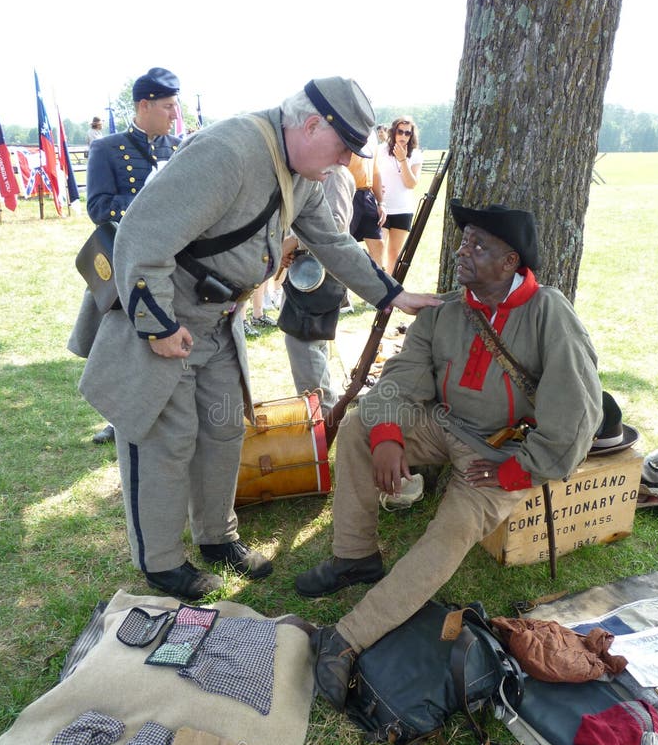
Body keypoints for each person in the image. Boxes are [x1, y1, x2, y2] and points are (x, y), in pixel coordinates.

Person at [76, 76, 441, 601]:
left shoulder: (301, 171)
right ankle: (160, 564)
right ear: (312, 125)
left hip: (219, 320)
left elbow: (334, 243)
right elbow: (141, 235)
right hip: (166, 316)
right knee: (165, 440)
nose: (345, 162)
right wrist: (156, 325)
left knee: (223, 434)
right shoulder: (229, 151)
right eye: (342, 148)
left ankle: (217, 538)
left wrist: (391, 296)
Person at [297, 200, 604, 712]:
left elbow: (576, 414)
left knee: (454, 526)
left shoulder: (549, 313)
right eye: (465, 241)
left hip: (501, 450)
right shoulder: (448, 310)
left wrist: (517, 468)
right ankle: (355, 556)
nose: (464, 251)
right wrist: (390, 434)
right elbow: (404, 374)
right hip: (441, 426)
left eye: (479, 245)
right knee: (357, 428)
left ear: (511, 263)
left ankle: (346, 638)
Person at [70, 68, 181, 445]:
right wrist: (145, 201)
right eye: (167, 106)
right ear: (143, 105)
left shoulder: (179, 148)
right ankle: (118, 416)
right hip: (124, 261)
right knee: (121, 339)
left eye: (175, 106)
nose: (173, 114)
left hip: (170, 263)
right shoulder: (108, 148)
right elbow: (98, 208)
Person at [281, 164, 356, 412]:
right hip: (305, 272)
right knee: (308, 348)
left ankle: (322, 420)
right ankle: (321, 421)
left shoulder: (336, 176)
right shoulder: (314, 172)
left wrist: (293, 241)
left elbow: (335, 228)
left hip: (319, 277)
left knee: (306, 348)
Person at [378, 116, 423, 273]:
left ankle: (391, 290)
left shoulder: (416, 154)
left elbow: (411, 184)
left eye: (407, 133)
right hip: (382, 208)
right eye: (400, 132)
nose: (403, 136)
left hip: (403, 210)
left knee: (394, 254)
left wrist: (403, 160)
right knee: (378, 251)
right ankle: (376, 291)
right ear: (393, 132)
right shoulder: (381, 151)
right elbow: (371, 175)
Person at [347, 136, 385, 269]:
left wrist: (381, 203)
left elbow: (375, 170)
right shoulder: (347, 126)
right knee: (344, 246)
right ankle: (339, 288)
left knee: (378, 243)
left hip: (367, 195)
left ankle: (381, 287)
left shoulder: (373, 136)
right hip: (346, 193)